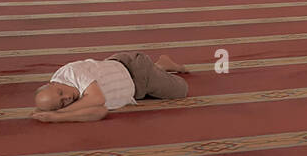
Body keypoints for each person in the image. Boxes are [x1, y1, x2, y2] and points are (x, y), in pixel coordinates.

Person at [31, 52, 189, 123]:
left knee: (182, 90)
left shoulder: (71, 72)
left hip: (136, 71)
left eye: (60, 92)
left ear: (53, 82)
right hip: (133, 86)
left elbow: (97, 99)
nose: (66, 97)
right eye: (62, 102)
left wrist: (61, 111)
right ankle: (160, 67)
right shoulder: (72, 103)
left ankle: (164, 64)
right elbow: (100, 111)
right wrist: (59, 117)